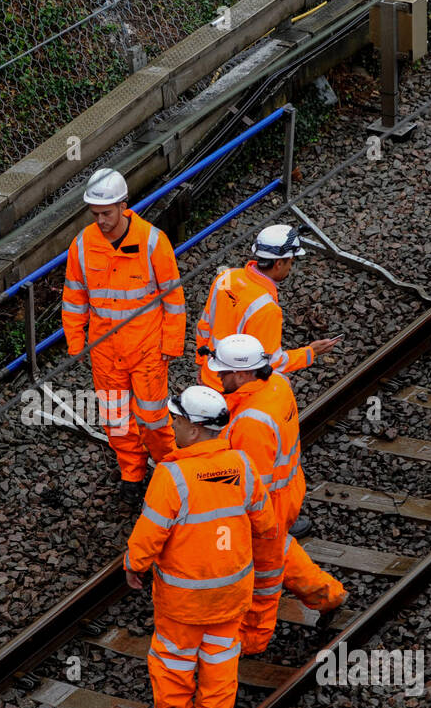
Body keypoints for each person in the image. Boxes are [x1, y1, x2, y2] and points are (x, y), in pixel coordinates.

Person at [123, 385, 277, 708]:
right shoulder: (241, 464)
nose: (171, 425)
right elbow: (266, 523)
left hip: (184, 599)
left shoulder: (172, 475)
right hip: (231, 591)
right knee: (221, 658)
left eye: (176, 420)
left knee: (174, 658)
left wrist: (135, 565)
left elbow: (150, 532)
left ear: (194, 429)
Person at [208, 335, 347, 654]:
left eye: (223, 373)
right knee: (281, 549)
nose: (218, 377)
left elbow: (252, 487)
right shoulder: (276, 384)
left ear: (242, 375)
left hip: (268, 505)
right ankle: (329, 595)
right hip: (288, 488)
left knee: (264, 571)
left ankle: (255, 638)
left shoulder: (251, 424)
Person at [62, 168, 186, 503]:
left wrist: (171, 345)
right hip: (105, 351)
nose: (101, 221)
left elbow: (173, 298)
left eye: (106, 213)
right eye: (95, 214)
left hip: (146, 349)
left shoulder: (152, 242)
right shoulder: (83, 246)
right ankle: (132, 472)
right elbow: (75, 298)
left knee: (153, 416)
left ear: (123, 206)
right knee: (115, 418)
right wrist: (76, 341)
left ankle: (168, 467)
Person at [194, 224, 340, 392]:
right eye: (290, 262)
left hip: (210, 373)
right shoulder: (266, 309)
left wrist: (201, 363)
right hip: (236, 389)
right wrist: (310, 352)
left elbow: (204, 326)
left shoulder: (226, 278)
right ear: (278, 263)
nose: (290, 267)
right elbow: (272, 362)